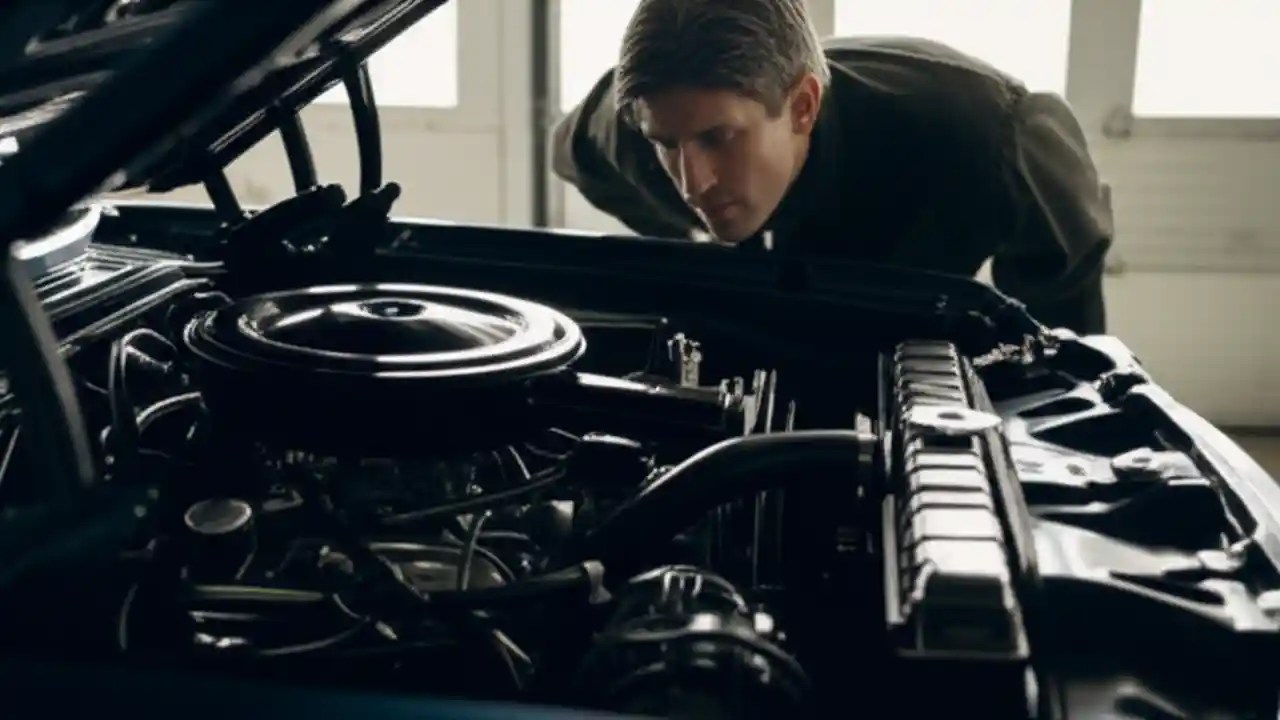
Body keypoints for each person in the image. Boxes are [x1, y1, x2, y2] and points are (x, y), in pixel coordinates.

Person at [550, 0, 1114, 335]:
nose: (693, 183)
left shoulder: (991, 140)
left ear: (801, 108)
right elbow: (569, 153)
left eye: (718, 139)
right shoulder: (631, 124)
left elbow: (1064, 311)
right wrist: (687, 236)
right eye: (666, 144)